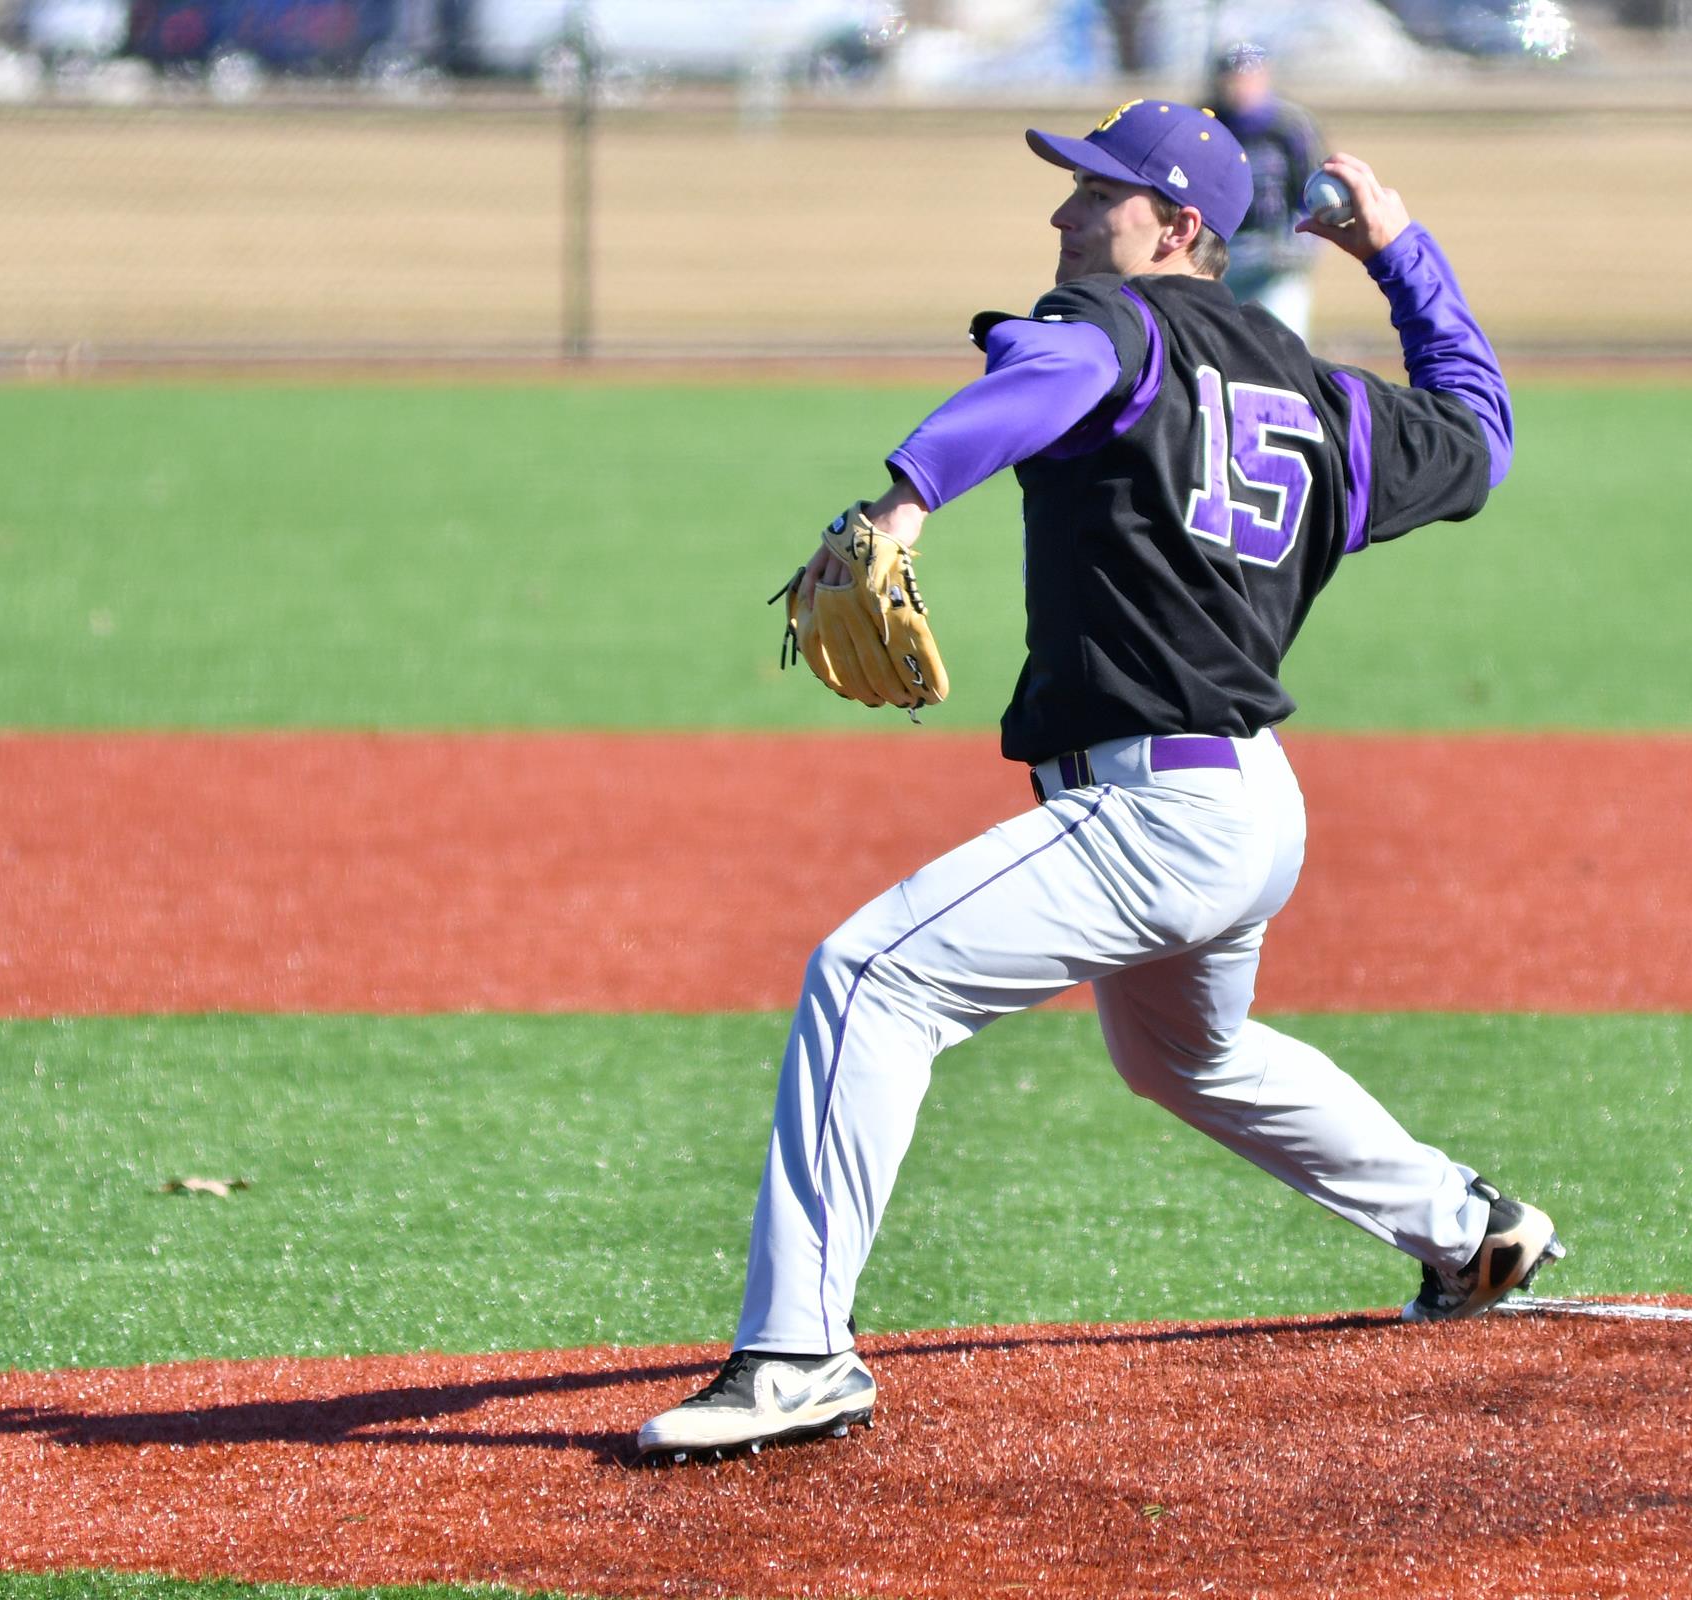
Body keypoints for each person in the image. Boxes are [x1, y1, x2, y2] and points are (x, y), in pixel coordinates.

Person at [636, 99, 1561, 1462]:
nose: (1065, 216)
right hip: (1248, 803)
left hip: (1156, 811)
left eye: (1095, 195)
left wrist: (901, 503)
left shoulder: (1114, 331)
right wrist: (1400, 250)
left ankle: (796, 1358)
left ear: (1178, 227)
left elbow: (1034, 389)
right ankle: (1465, 1227)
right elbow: (1480, 440)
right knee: (1189, 1054)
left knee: (871, 977)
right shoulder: (1325, 402)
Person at [1209, 41, 1327, 338]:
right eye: (1233, 76)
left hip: (1275, 257)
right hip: (1218, 257)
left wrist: (1302, 241)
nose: (1241, 85)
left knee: (1283, 346)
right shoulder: (1206, 121)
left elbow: (1313, 191)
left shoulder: (1290, 125)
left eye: (1249, 75)